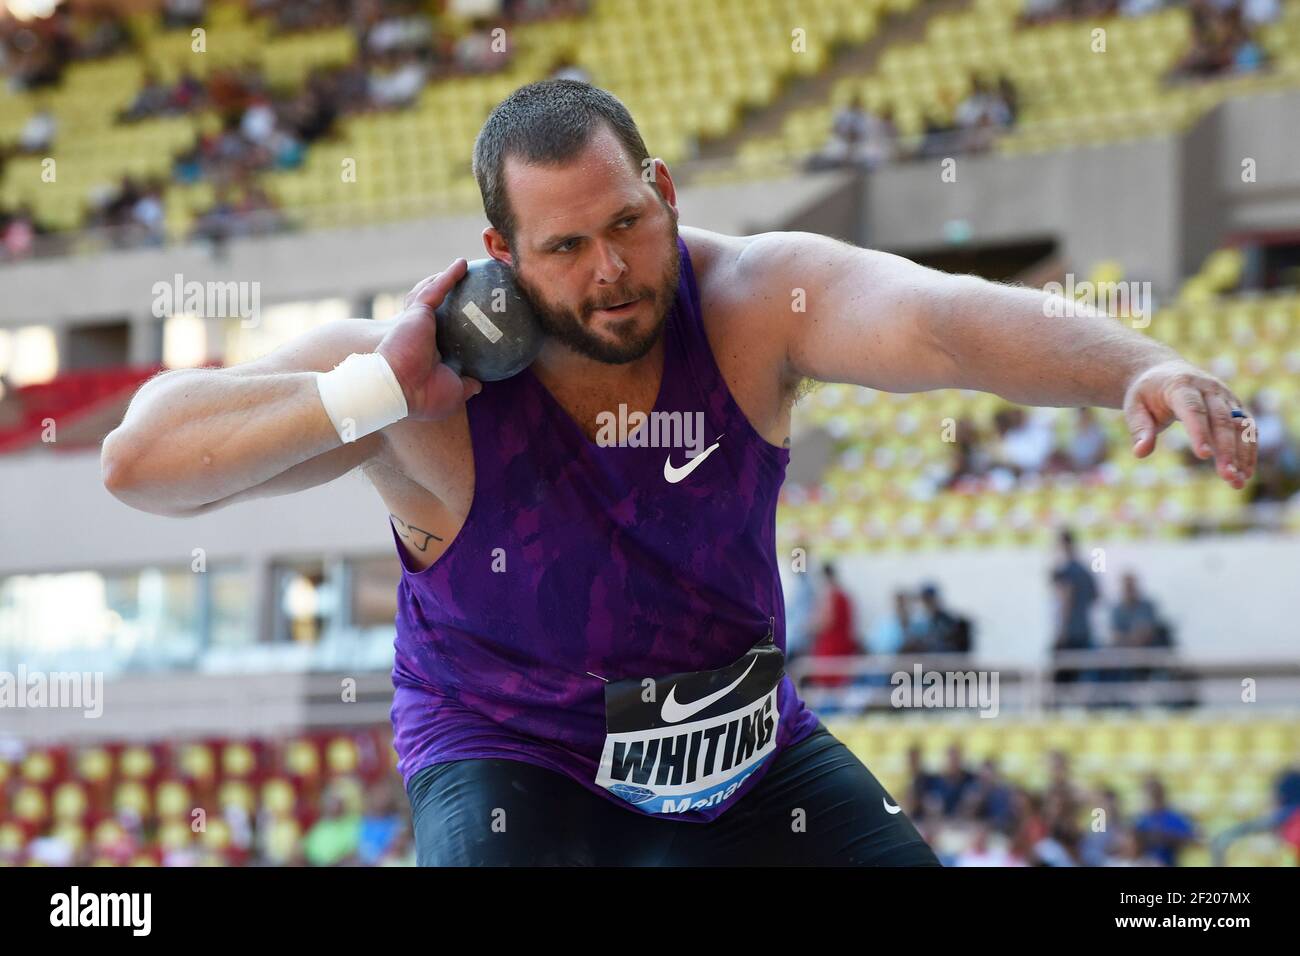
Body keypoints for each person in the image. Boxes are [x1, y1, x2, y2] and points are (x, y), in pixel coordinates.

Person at [103, 80, 1255, 866]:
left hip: (740, 745)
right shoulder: (423, 382)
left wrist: (1135, 364)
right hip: (516, 756)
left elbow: (942, 322)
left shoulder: (755, 301)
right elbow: (141, 462)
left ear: (663, 188)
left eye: (629, 222)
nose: (613, 271)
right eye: (564, 248)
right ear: (499, 256)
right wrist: (371, 393)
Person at [1050, 528, 1099, 687]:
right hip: (1084, 630)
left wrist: (1062, 631)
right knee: (1081, 678)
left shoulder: (1067, 572)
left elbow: (1066, 601)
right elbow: (1095, 597)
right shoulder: (1085, 571)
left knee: (1062, 683)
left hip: (1069, 633)